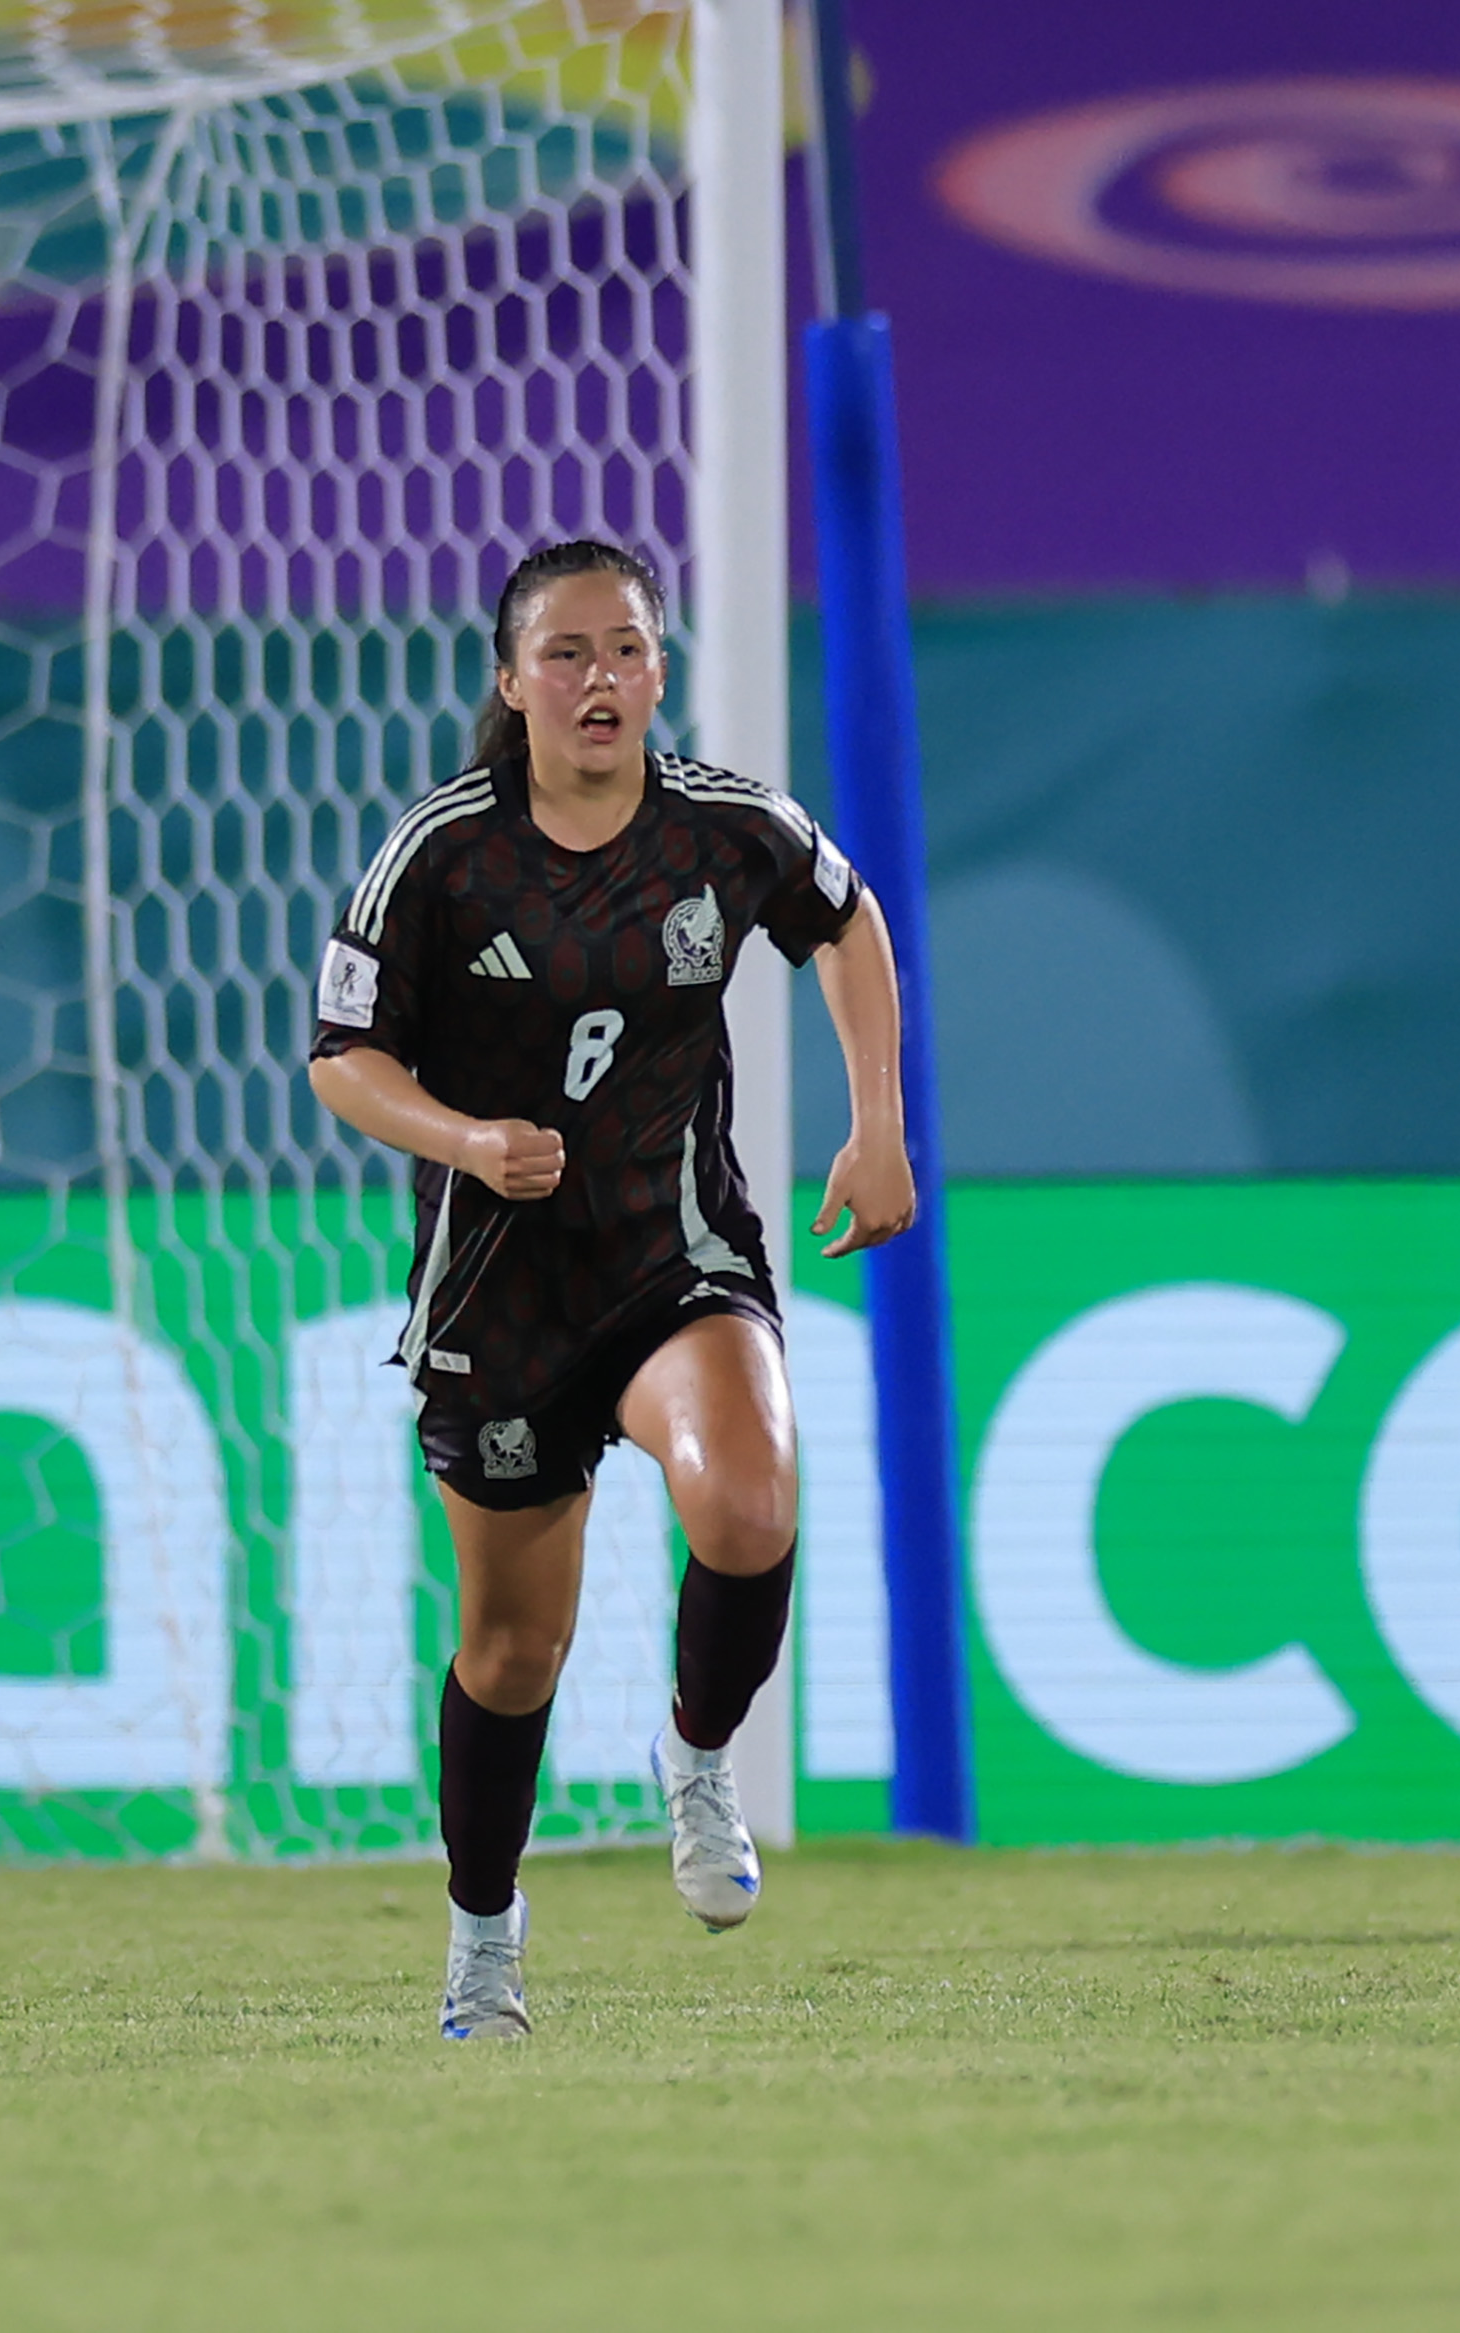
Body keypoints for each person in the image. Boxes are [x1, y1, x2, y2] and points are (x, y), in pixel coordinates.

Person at [308, 539, 916, 2040]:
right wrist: (467, 1139)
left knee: (750, 1501)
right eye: (566, 655)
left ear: (661, 667)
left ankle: (698, 1759)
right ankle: (482, 1945)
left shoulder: (725, 828)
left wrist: (880, 1120)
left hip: (674, 1253)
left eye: (627, 650)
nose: (600, 681)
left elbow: (844, 918)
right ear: (511, 681)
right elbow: (342, 1061)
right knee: (515, 1650)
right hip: (498, 1294)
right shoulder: (439, 856)